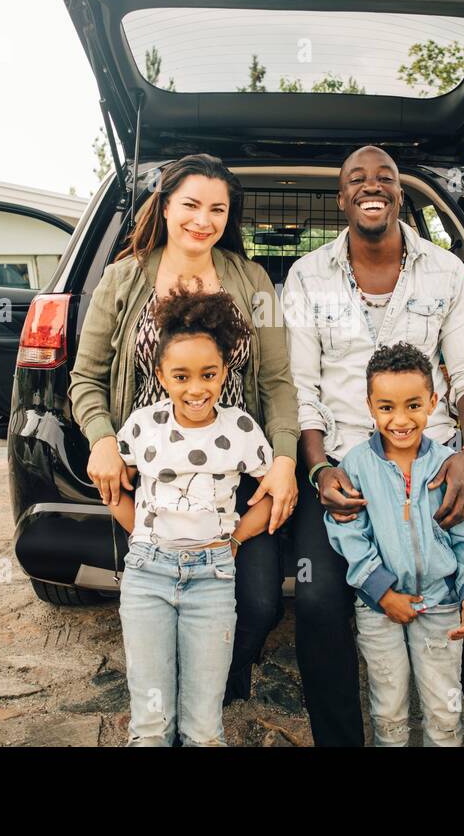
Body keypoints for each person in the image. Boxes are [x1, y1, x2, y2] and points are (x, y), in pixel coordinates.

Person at [283, 144, 464, 746]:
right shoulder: (307, 276)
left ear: (401, 194)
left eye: (385, 178)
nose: (373, 186)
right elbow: (301, 391)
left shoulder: (444, 271)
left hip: (430, 458)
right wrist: (318, 472)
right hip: (342, 463)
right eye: (357, 179)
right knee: (316, 601)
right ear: (341, 199)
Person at [68, 153, 299, 704]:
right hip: (151, 472)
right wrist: (103, 438)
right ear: (166, 205)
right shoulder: (123, 278)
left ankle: (215, 687)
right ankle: (163, 698)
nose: (203, 218)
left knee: (261, 602)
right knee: (157, 598)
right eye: (191, 204)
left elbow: (277, 381)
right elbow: (85, 377)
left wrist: (286, 457)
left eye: (217, 209)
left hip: (235, 468)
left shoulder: (252, 279)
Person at [107, 286, 275, 745]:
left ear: (224, 371)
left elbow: (271, 494)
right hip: (147, 577)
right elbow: (114, 488)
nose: (196, 388)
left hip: (212, 580)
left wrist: (235, 540)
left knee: (203, 729)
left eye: (208, 374)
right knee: (151, 725)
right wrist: (142, 534)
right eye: (181, 376)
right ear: (161, 374)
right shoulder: (142, 426)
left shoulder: (241, 429)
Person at [325, 342, 464, 747]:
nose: (400, 420)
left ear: (433, 402)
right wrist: (382, 593)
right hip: (379, 610)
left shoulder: (447, 466)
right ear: (369, 406)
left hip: (441, 605)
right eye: (386, 407)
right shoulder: (357, 465)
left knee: (443, 711)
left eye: (413, 405)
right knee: (389, 710)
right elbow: (348, 533)